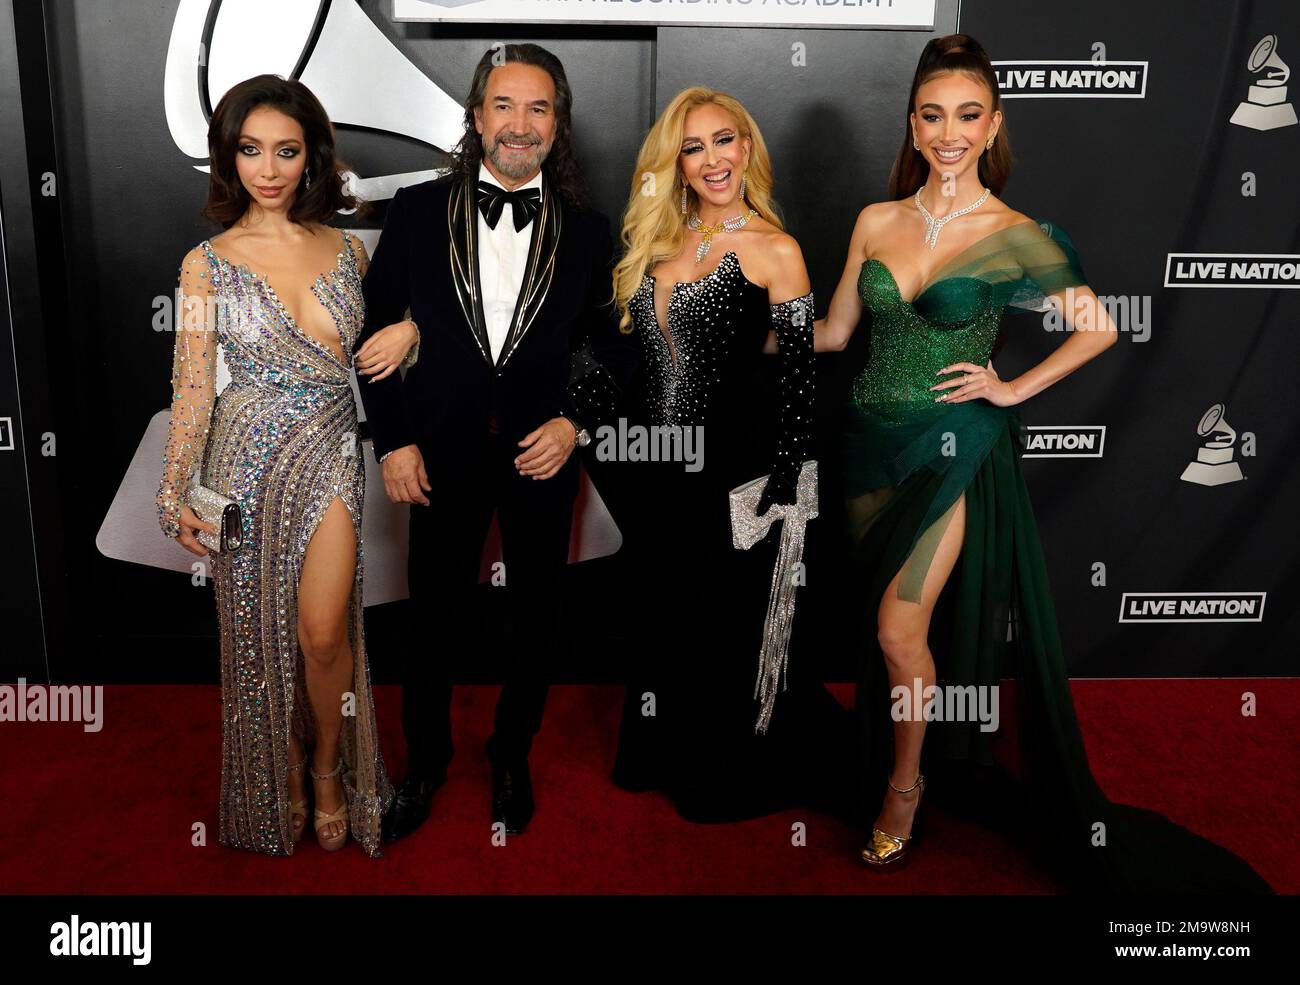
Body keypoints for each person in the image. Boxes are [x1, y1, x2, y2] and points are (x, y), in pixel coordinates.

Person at [815, 35, 1270, 891]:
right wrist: (735, 335)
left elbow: (1098, 326)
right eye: (932, 115)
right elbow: (837, 333)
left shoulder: (1016, 234)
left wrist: (1014, 388)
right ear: (912, 126)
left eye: (967, 117)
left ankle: (904, 791)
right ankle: (911, 755)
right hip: (867, 445)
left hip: (953, 447)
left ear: (993, 128)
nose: (949, 133)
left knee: (896, 630)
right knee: (884, 632)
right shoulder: (877, 221)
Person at [358, 44, 633, 840]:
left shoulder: (587, 231)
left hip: (541, 455)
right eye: (504, 106)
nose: (520, 125)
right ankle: (425, 763)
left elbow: (619, 347)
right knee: (430, 618)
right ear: (476, 117)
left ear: (559, 124)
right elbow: (374, 334)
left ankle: (511, 753)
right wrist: (394, 442)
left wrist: (574, 423)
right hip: (437, 452)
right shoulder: (413, 211)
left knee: (538, 618)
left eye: (538, 108)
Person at [156, 75, 419, 856]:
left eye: (286, 150)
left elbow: (384, 349)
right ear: (228, 158)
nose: (267, 168)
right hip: (242, 458)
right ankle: (281, 777)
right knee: (253, 637)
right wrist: (177, 496)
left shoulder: (347, 249)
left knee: (321, 629)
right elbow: (195, 386)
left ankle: (331, 766)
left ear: (311, 159)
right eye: (249, 149)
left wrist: (413, 332)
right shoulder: (204, 264)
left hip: (331, 448)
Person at [608, 87, 855, 823]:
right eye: (694, 147)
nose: (712, 159)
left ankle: (725, 771)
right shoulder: (657, 244)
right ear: (675, 165)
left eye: (725, 140)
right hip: (660, 470)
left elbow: (801, 380)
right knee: (670, 618)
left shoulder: (778, 249)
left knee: (726, 625)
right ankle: (665, 751)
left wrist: (782, 489)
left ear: (747, 148)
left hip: (738, 470)